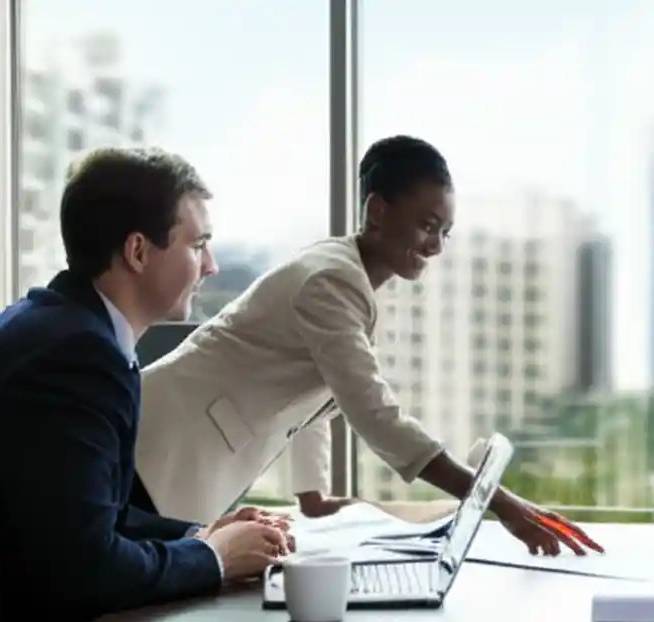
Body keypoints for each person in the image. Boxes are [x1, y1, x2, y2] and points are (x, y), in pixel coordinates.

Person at [0, 148, 295, 622]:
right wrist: (215, 560)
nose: (211, 265)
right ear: (138, 251)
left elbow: (93, 513)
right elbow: (86, 568)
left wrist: (201, 534)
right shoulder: (72, 355)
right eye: (197, 245)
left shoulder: (68, 330)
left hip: (12, 618)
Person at [134, 135, 602, 556]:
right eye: (427, 225)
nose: (436, 245)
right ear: (377, 211)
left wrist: (311, 497)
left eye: (445, 232)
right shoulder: (332, 281)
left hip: (174, 454)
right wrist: (502, 503)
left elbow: (306, 396)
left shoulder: (344, 277)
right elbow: (374, 414)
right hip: (155, 446)